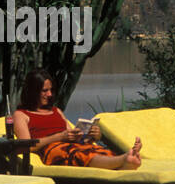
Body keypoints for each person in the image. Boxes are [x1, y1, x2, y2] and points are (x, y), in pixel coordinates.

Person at [12, 68, 142, 169]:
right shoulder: (21, 115)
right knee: (79, 154)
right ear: (33, 91)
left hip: (72, 146)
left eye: (51, 90)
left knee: (97, 149)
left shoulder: (56, 111)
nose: (50, 94)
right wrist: (59, 137)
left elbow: (72, 135)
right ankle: (124, 159)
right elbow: (26, 146)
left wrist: (93, 136)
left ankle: (127, 163)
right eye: (45, 91)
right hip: (53, 151)